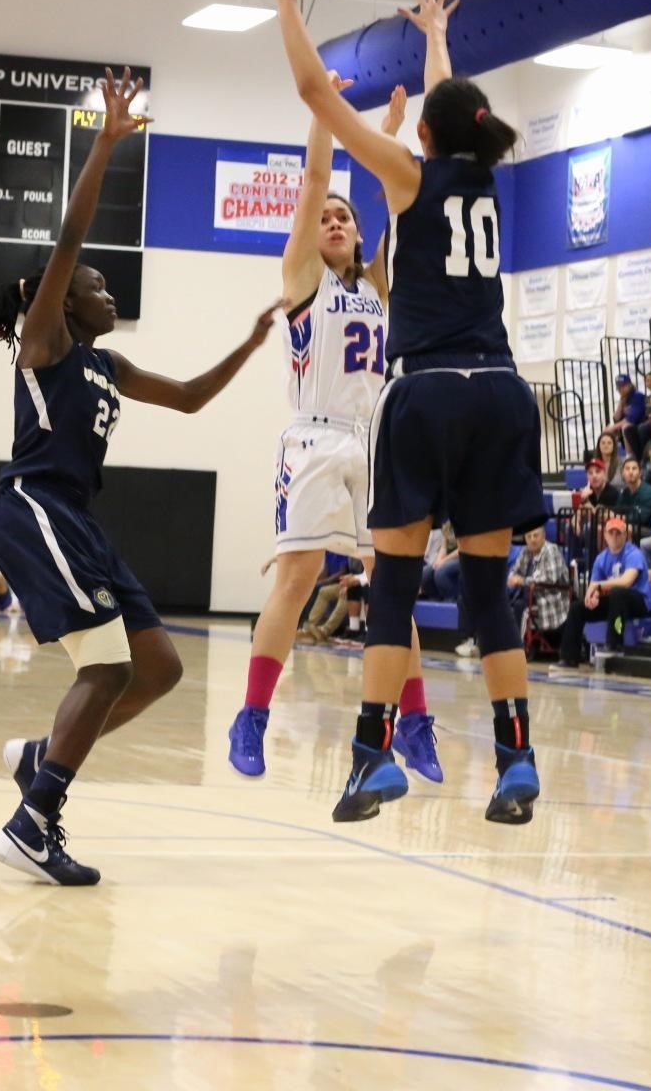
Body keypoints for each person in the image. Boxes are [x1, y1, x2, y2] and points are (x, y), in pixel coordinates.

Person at [0, 70, 279, 886]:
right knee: (104, 668)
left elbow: (186, 399)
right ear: (64, 302)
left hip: (78, 517)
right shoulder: (44, 343)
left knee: (158, 669)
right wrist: (106, 143)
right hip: (33, 506)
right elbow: (71, 237)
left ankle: (43, 759)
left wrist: (250, 345)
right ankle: (33, 822)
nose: (108, 293)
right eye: (98, 287)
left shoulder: (109, 364)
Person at [275, 0, 543, 825]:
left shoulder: (407, 175)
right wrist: (439, 37)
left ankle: (371, 758)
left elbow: (318, 96)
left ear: (421, 137)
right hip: (503, 393)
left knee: (391, 588)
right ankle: (516, 760)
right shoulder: (484, 178)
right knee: (486, 594)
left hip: (428, 394)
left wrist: (289, 1)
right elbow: (452, 110)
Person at [228, 70, 434, 783]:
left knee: (394, 584)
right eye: (327, 218)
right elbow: (317, 177)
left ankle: (415, 724)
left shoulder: (378, 285)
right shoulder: (302, 278)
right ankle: (252, 716)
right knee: (299, 576)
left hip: (374, 443)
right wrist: (324, 111)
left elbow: (400, 203)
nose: (336, 221)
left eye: (346, 217)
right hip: (314, 439)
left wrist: (394, 134)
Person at [556, 515, 647, 667]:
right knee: (577, 608)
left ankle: (614, 644)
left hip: (636, 602)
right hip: (613, 603)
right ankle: (569, 657)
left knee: (618, 593)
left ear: (625, 535)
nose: (614, 536)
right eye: (611, 533)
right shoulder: (601, 558)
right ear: (604, 535)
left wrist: (598, 587)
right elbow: (594, 587)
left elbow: (626, 581)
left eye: (618, 533)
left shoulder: (633, 553)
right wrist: (593, 598)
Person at [508, 525, 570, 652]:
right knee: (503, 604)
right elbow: (515, 572)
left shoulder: (551, 550)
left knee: (521, 608)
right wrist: (512, 578)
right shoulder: (526, 551)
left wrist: (523, 581)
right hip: (530, 596)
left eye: (535, 535)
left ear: (543, 536)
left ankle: (518, 647)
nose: (532, 540)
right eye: (529, 537)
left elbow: (549, 578)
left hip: (551, 599)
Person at [618, 457, 651, 534]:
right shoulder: (625, 492)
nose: (631, 472)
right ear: (623, 473)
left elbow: (642, 519)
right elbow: (618, 510)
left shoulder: (649, 492)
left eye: (634, 468)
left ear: (640, 473)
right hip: (634, 527)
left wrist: (619, 518)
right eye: (627, 469)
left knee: (623, 528)